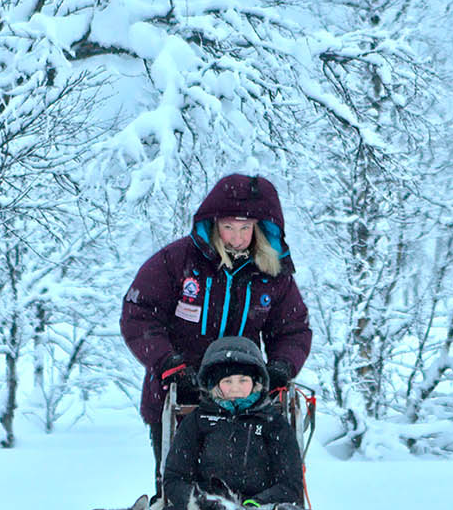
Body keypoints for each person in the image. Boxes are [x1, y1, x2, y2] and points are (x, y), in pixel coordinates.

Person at [120, 173, 313, 481]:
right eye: (228, 227)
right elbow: (139, 314)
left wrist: (280, 368)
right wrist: (168, 363)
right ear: (213, 224)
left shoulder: (271, 274)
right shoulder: (177, 261)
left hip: (246, 397)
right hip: (181, 391)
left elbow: (292, 329)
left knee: (249, 482)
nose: (236, 238)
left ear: (259, 228)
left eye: (245, 228)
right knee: (179, 483)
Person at [155, 335, 304, 510]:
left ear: (256, 382)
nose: (235, 387)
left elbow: (291, 484)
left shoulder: (273, 423)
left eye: (243, 380)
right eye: (228, 381)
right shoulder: (197, 422)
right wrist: (203, 503)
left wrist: (256, 504)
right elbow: (174, 478)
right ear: (214, 384)